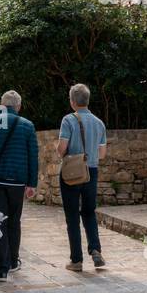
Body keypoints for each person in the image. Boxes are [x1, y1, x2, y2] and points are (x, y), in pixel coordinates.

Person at [0, 90, 37, 281]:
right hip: (18, 182)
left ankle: (1, 269)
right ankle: (14, 261)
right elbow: (33, 156)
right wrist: (32, 183)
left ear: (1, 104)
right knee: (14, 221)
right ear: (18, 106)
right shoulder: (27, 126)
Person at [56, 83, 107, 271]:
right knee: (89, 212)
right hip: (91, 171)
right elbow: (102, 154)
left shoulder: (68, 120)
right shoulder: (99, 123)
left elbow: (62, 148)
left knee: (72, 216)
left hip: (71, 172)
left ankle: (76, 260)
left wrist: (60, 151)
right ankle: (95, 250)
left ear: (72, 102)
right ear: (87, 100)